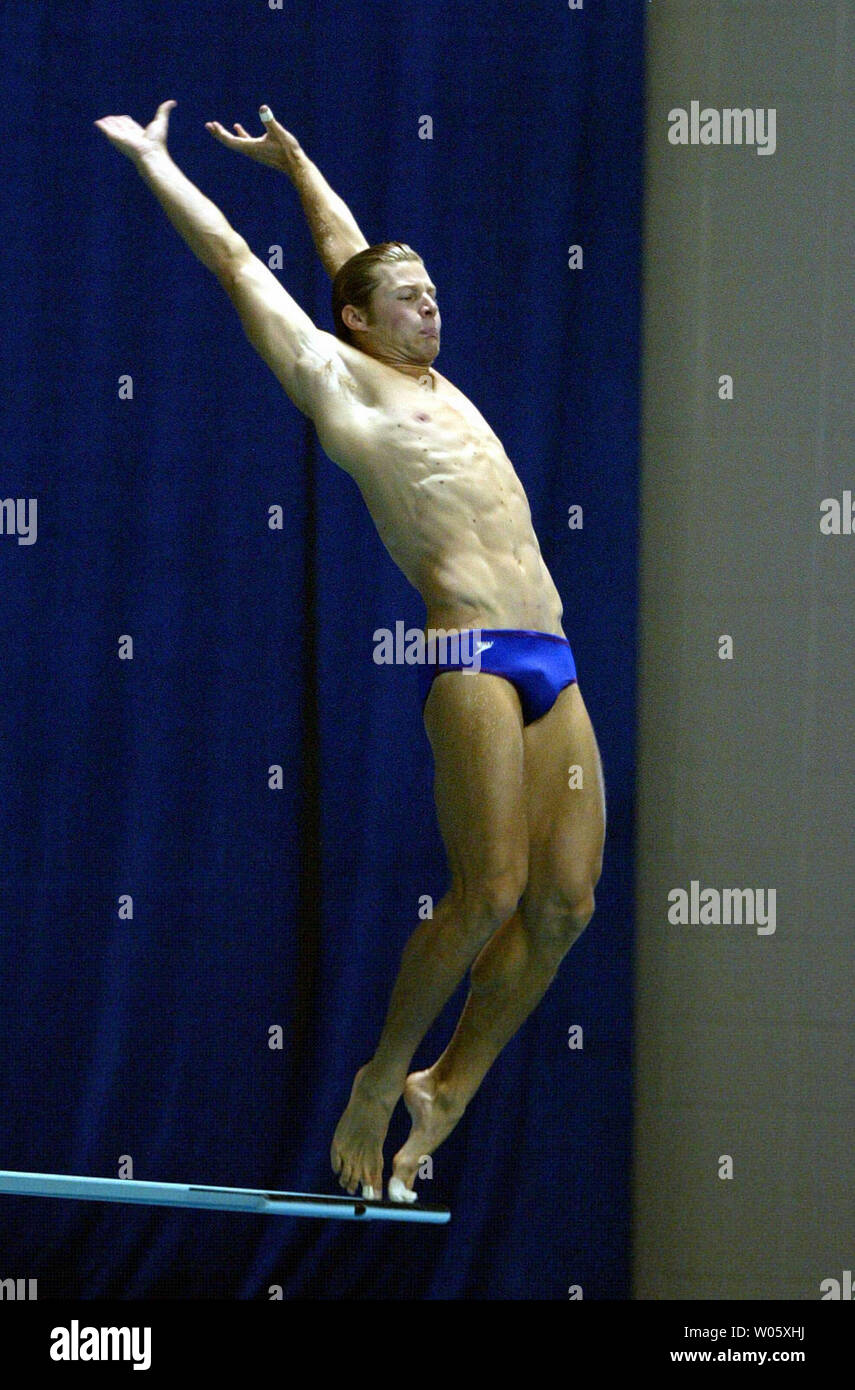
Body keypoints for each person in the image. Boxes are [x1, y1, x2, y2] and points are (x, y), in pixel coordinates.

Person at [95, 100, 606, 1204]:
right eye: (409, 298)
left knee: (566, 905)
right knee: (488, 893)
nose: (432, 303)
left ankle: (449, 1084)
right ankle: (377, 1079)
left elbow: (348, 252)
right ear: (361, 325)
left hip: (552, 653)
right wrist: (155, 161)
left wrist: (298, 164)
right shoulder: (344, 385)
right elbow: (239, 263)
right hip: (472, 651)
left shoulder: (427, 370)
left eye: (434, 289)